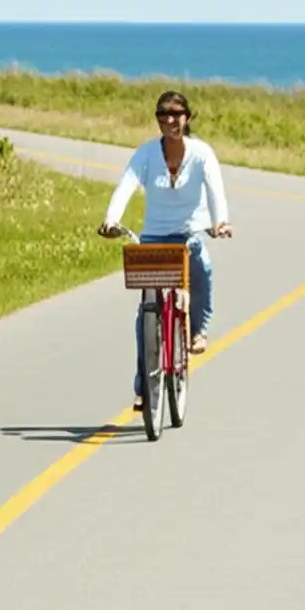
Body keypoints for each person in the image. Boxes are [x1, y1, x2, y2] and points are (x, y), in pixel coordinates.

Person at [97, 90, 232, 410]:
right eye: (163, 115)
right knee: (146, 308)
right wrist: (111, 220)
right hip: (154, 237)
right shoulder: (146, 154)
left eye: (176, 114)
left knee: (202, 268)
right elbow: (125, 185)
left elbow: (216, 190)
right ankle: (144, 385)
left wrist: (221, 222)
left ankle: (198, 329)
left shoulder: (201, 154)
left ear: (187, 118)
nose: (170, 120)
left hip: (189, 234)